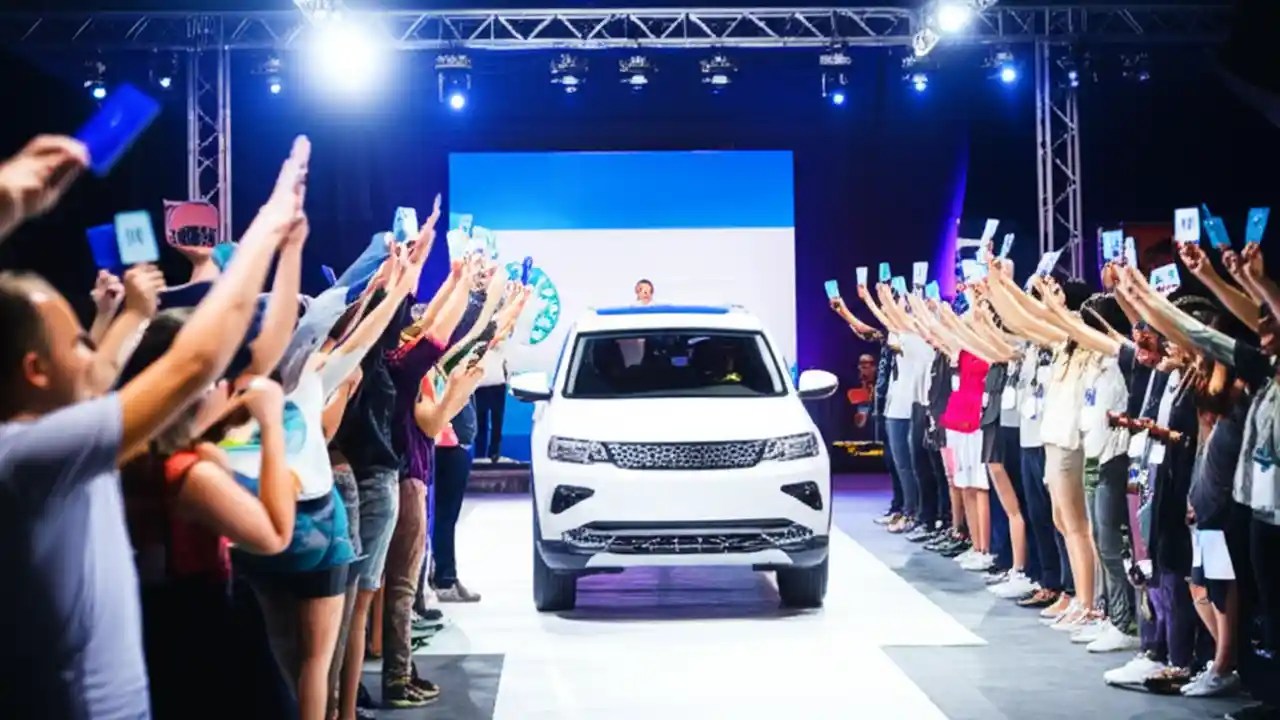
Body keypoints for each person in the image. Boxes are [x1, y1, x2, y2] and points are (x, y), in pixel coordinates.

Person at [0, 134, 308, 719]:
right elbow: (197, 362)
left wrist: (132, 312)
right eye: (79, 342)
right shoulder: (28, 455)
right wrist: (268, 227)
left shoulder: (59, 442)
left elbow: (121, 370)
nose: (96, 355)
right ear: (35, 371)